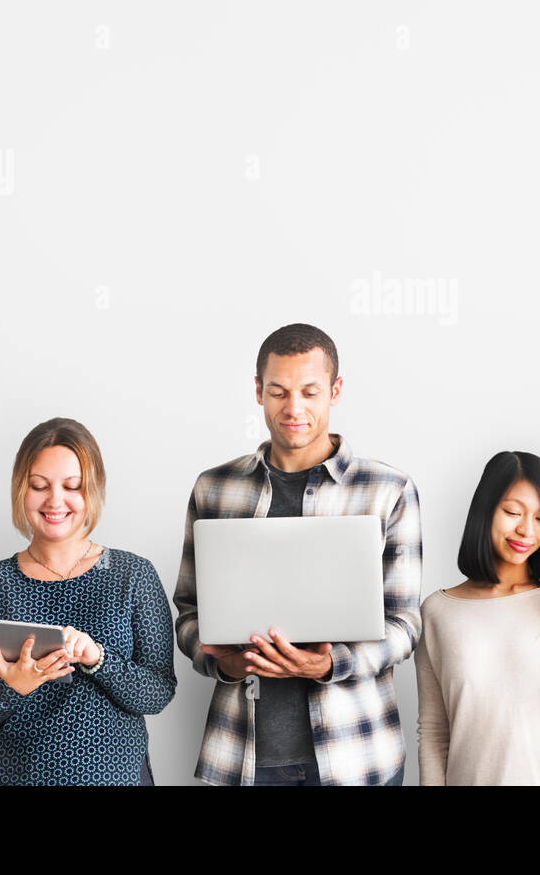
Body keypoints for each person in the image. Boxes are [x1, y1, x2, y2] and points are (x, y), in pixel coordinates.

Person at [173, 323, 422, 786]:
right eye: (278, 392)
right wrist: (221, 663)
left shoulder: (388, 491)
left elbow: (405, 625)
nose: (294, 409)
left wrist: (330, 664)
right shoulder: (214, 488)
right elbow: (189, 613)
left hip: (357, 756)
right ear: (258, 391)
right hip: (243, 757)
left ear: (335, 390)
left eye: (309, 392)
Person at [0, 417, 176, 785]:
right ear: (21, 490)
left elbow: (158, 693)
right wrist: (14, 686)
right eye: (39, 486)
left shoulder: (133, 575)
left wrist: (97, 659)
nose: (55, 500)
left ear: (94, 490)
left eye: (72, 486)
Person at [416, 451, 540, 785]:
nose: (525, 530)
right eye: (512, 512)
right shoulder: (438, 611)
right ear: (485, 510)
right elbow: (434, 733)